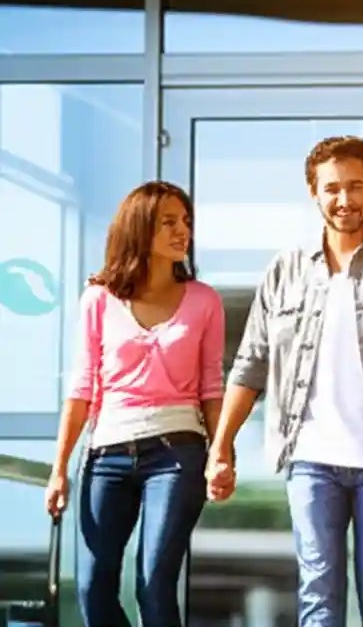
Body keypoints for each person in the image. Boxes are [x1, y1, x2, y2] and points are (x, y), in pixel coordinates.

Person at [203, 136, 363, 626]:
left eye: (356, 186)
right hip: (310, 460)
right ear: (313, 192)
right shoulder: (286, 268)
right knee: (318, 597)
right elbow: (251, 363)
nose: (345, 200)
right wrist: (222, 447)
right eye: (333, 189)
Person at [43, 181, 225, 627]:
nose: (182, 230)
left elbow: (211, 388)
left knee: (153, 582)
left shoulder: (204, 301)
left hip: (177, 454)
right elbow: (83, 386)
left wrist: (221, 454)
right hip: (106, 454)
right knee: (92, 587)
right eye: (169, 222)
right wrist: (59, 468)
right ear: (140, 229)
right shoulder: (99, 299)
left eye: (185, 222)